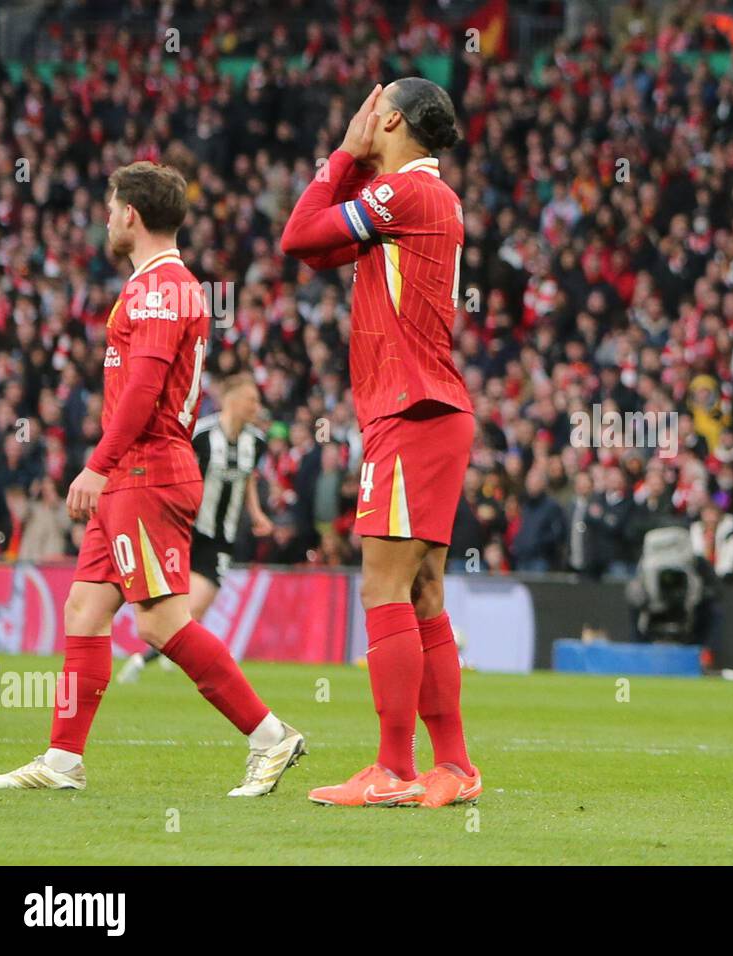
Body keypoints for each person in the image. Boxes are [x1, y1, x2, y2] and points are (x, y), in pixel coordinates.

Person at [0, 162, 305, 795]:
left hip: (147, 471)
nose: (105, 218)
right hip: (134, 472)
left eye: (110, 207)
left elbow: (144, 387)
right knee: (84, 608)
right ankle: (62, 760)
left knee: (159, 624)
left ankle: (270, 735)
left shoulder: (160, 288)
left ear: (131, 213)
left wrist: (96, 466)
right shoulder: (161, 285)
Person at [281, 79, 479, 808]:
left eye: (374, 107)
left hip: (412, 407)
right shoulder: (422, 197)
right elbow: (319, 255)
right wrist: (362, 167)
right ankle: (452, 765)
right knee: (423, 589)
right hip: (430, 408)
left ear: (389, 117)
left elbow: (298, 234)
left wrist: (342, 153)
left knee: (383, 587)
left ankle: (393, 767)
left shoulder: (410, 194)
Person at [116, 373, 273, 684]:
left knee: (194, 609)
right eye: (251, 399)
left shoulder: (255, 442)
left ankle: (141, 659)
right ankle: (160, 653)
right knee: (174, 611)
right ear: (232, 400)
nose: (257, 406)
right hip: (185, 531)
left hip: (221, 539)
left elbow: (248, 478)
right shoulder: (201, 435)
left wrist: (256, 513)